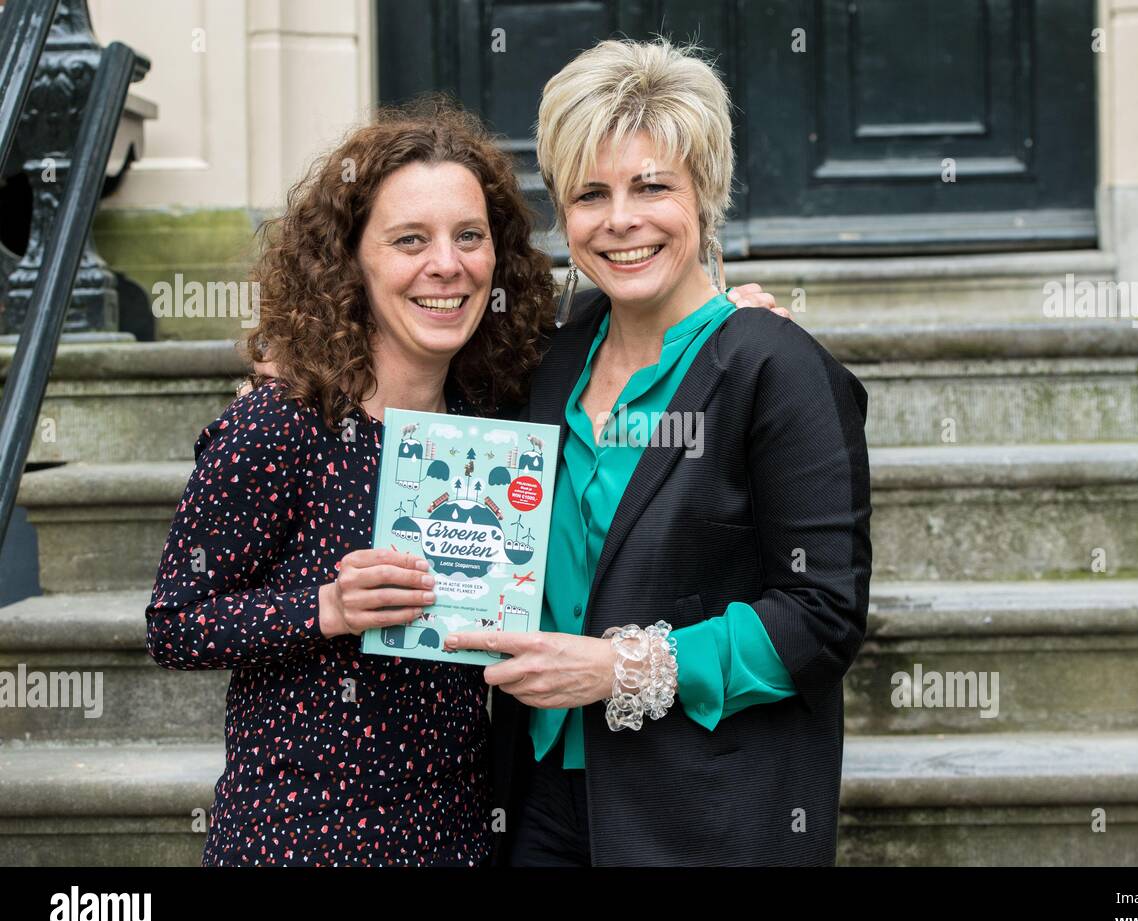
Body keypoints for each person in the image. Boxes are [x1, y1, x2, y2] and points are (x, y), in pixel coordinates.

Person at [147, 97, 784, 866]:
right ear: (352, 259)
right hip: (306, 834)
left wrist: (727, 322)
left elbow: (641, 336)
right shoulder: (282, 426)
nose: (445, 266)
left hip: (464, 830)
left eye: (469, 238)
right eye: (409, 239)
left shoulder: (502, 416)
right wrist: (325, 608)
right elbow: (174, 625)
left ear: (498, 258)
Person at [446, 39, 872, 866]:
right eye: (590, 194)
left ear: (705, 197)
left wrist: (619, 668)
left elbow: (822, 618)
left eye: (652, 187)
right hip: (536, 804)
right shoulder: (546, 362)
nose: (620, 221)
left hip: (704, 814)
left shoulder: (774, 368)